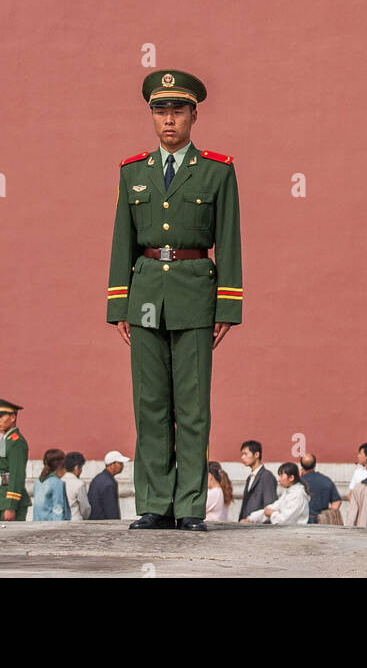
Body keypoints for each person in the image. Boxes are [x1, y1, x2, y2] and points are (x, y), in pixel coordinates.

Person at [108, 69, 244, 532]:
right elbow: (121, 242)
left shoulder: (216, 170)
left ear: (193, 115)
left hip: (194, 293)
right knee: (149, 405)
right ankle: (153, 503)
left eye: (177, 111)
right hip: (145, 293)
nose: (169, 120)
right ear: (152, 116)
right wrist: (119, 305)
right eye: (160, 111)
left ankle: (188, 506)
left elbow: (228, 241)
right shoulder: (132, 172)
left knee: (192, 407)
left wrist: (226, 306)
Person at [0, 399, 30, 521]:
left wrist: (11, 505)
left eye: (1, 417)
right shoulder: (6, 440)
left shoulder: (16, 442)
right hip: (1, 497)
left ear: (13, 417)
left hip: (9, 500)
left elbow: (17, 474)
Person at [238, 441, 276, 522]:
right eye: (242, 454)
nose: (242, 457)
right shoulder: (250, 477)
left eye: (245, 454)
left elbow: (269, 506)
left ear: (256, 455)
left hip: (259, 526)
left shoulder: (266, 476)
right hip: (246, 526)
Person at [298, 454, 341, 524]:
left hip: (301, 521)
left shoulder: (298, 483)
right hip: (322, 521)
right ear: (315, 464)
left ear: (301, 466)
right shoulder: (326, 480)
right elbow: (337, 502)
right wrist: (328, 514)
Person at [32, 449, 70, 521]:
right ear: (62, 466)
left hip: (37, 524)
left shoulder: (38, 482)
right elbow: (58, 509)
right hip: (51, 527)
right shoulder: (57, 483)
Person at [89, 451, 128, 520]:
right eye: (120, 463)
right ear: (112, 464)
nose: (122, 466)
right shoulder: (108, 483)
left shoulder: (98, 478)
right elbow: (111, 510)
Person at [63, 452, 91, 521]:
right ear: (76, 468)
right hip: (76, 520)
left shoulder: (60, 481)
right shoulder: (79, 484)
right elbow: (85, 508)